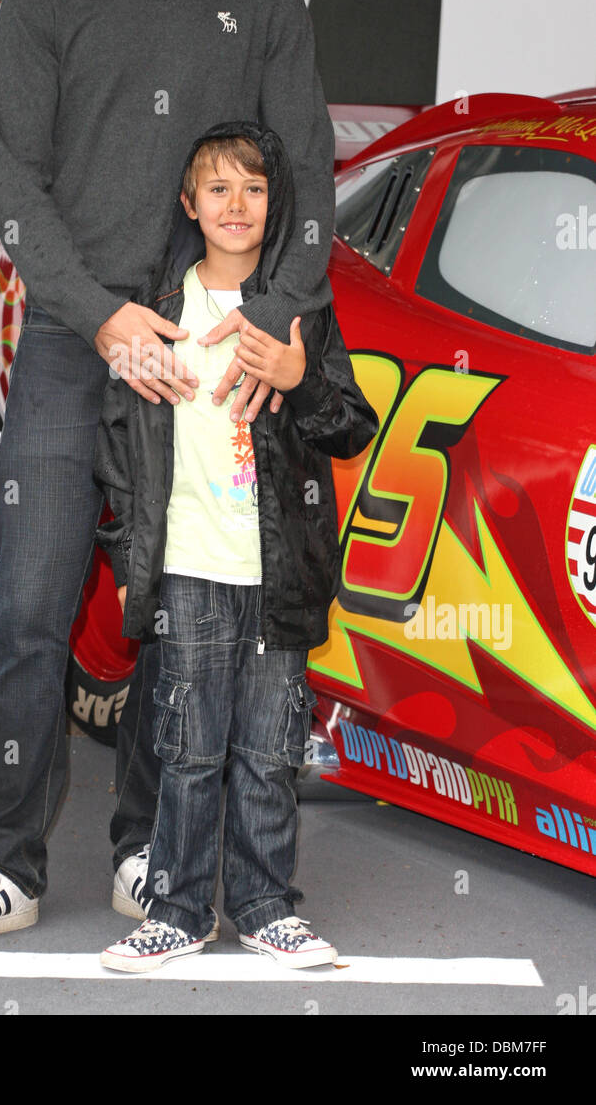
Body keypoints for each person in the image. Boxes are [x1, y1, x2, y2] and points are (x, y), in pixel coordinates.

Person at [0, 0, 336, 952]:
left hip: (202, 358)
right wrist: (99, 314)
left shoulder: (261, 1)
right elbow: (15, 180)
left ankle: (151, 851)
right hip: (70, 338)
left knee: (176, 611)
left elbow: (307, 191)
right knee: (34, 601)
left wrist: (260, 333)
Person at [96, 122, 379, 971]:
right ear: (189, 204)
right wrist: (123, 561)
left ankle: (264, 905)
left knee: (267, 751)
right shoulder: (157, 310)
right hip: (187, 569)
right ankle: (179, 910)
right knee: (189, 749)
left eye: (254, 189)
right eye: (217, 188)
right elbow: (119, 448)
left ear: (276, 204)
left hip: (278, 574)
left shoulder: (300, 310)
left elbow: (352, 426)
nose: (236, 204)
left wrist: (300, 384)